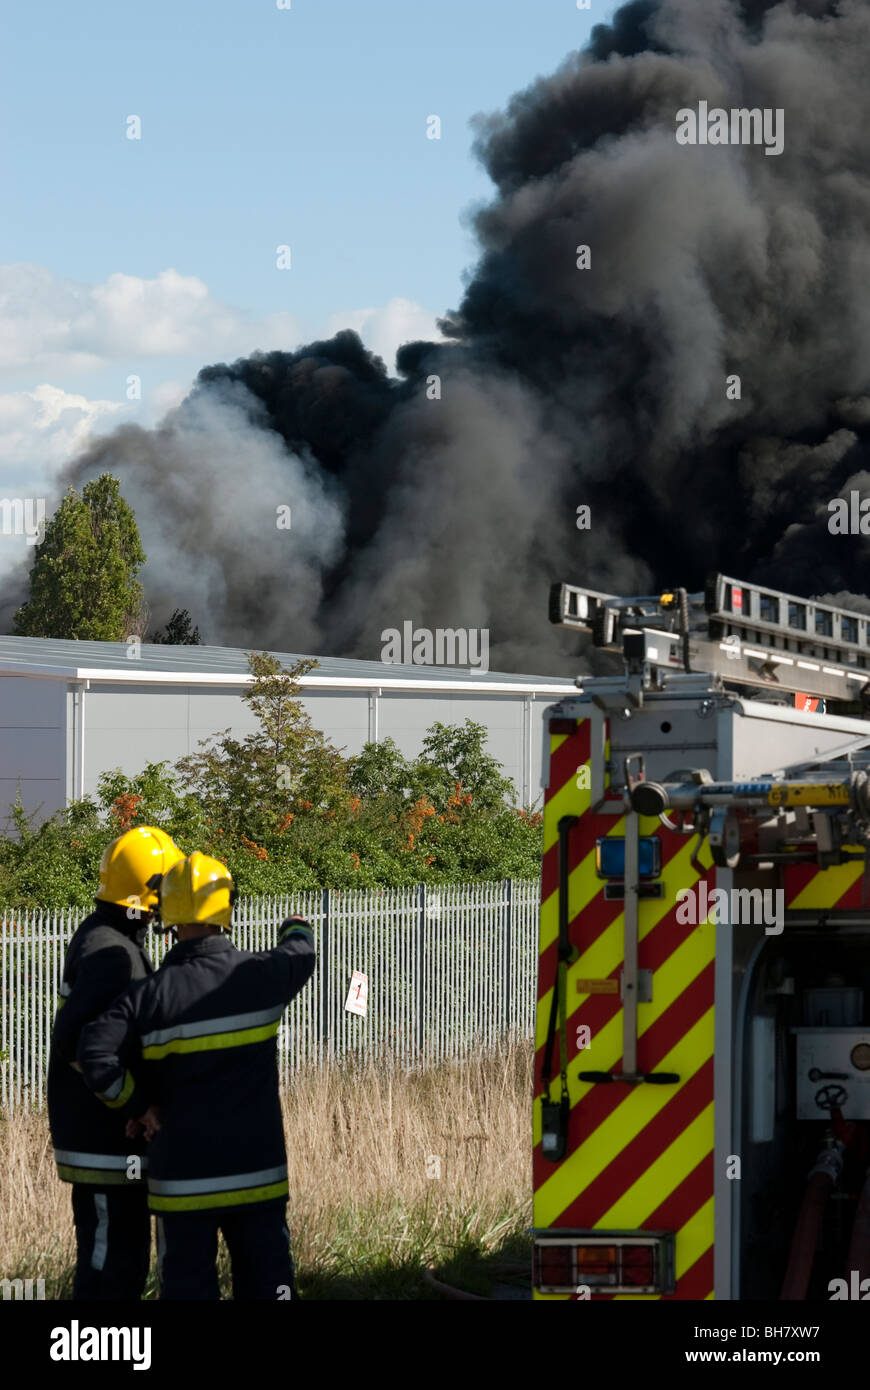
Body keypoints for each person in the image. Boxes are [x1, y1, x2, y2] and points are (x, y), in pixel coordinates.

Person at [78, 851, 316, 1300]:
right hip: (256, 1176)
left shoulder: (149, 997)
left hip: (182, 1185)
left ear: (168, 917)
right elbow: (302, 952)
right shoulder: (262, 976)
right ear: (227, 909)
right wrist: (295, 923)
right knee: (270, 1288)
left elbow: (94, 1054)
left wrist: (138, 1106)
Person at [47, 824, 184, 1299]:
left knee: (124, 1260)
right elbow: (74, 1042)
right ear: (147, 894)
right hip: (101, 1140)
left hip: (109, 1141)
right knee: (109, 1267)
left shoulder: (106, 935)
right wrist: (135, 1106)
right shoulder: (112, 953)